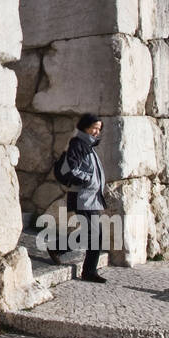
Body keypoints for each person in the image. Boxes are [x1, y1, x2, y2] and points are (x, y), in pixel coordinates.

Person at [61, 113, 108, 283]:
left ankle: (59, 247)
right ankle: (89, 272)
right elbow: (71, 168)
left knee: (92, 233)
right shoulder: (78, 144)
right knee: (96, 234)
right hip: (83, 196)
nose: (96, 131)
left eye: (98, 128)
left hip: (91, 197)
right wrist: (88, 180)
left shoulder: (88, 145)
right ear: (85, 126)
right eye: (94, 127)